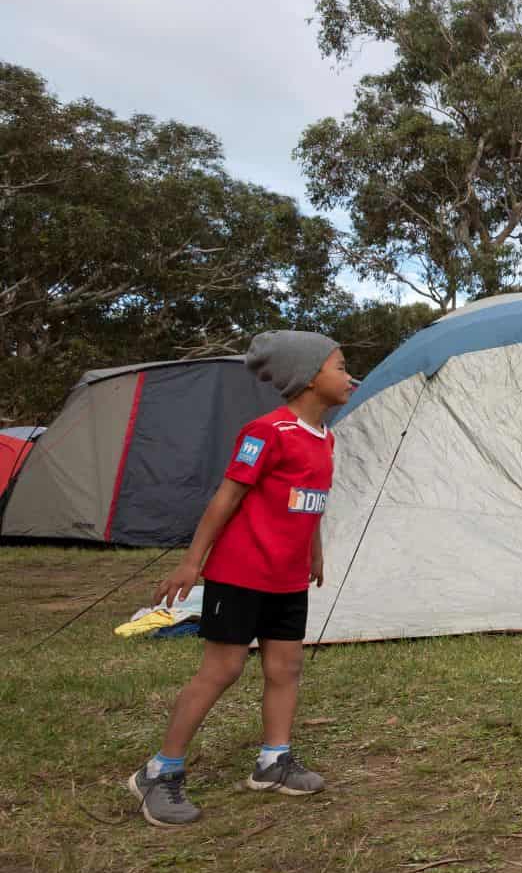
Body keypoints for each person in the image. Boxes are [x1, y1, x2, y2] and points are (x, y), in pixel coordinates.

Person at [126, 331, 354, 827]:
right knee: (222, 670)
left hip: (288, 577)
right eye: (340, 367)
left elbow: (307, 503)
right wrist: (192, 562)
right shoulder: (266, 432)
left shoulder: (326, 437)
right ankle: (159, 772)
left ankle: (273, 761)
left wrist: (313, 552)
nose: (349, 376)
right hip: (241, 573)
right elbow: (226, 499)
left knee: (286, 667)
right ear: (309, 377)